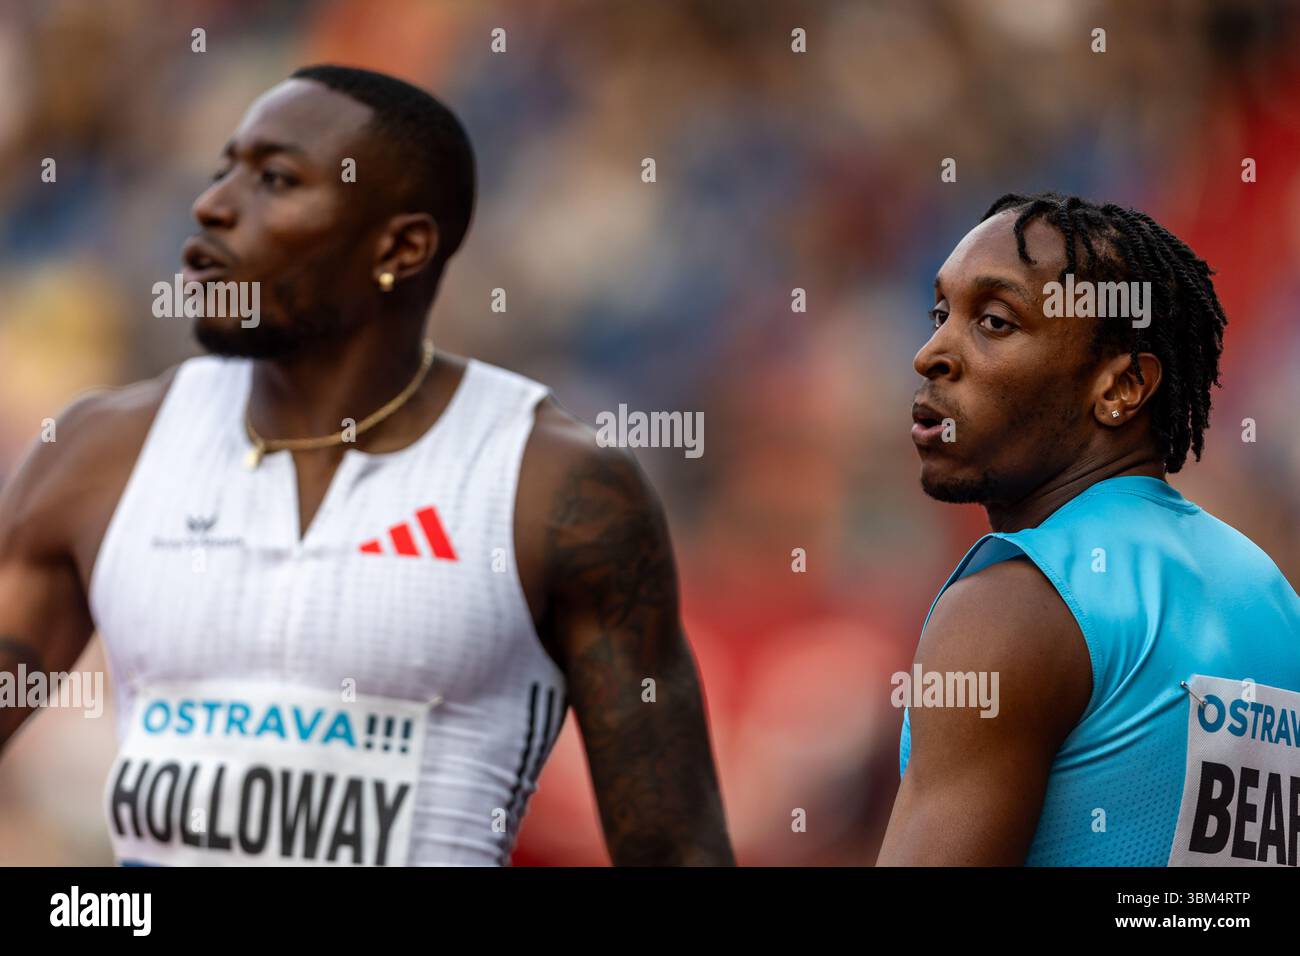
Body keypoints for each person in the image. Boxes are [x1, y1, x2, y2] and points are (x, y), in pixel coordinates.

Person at [0, 65, 733, 867]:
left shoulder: (553, 489)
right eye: (224, 170)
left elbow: (677, 851)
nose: (213, 205)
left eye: (275, 179)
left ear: (401, 245)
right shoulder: (97, 457)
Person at [879, 192, 1300, 866]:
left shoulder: (1013, 609)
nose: (931, 353)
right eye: (940, 315)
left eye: (993, 321)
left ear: (1121, 387)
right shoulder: (1276, 599)